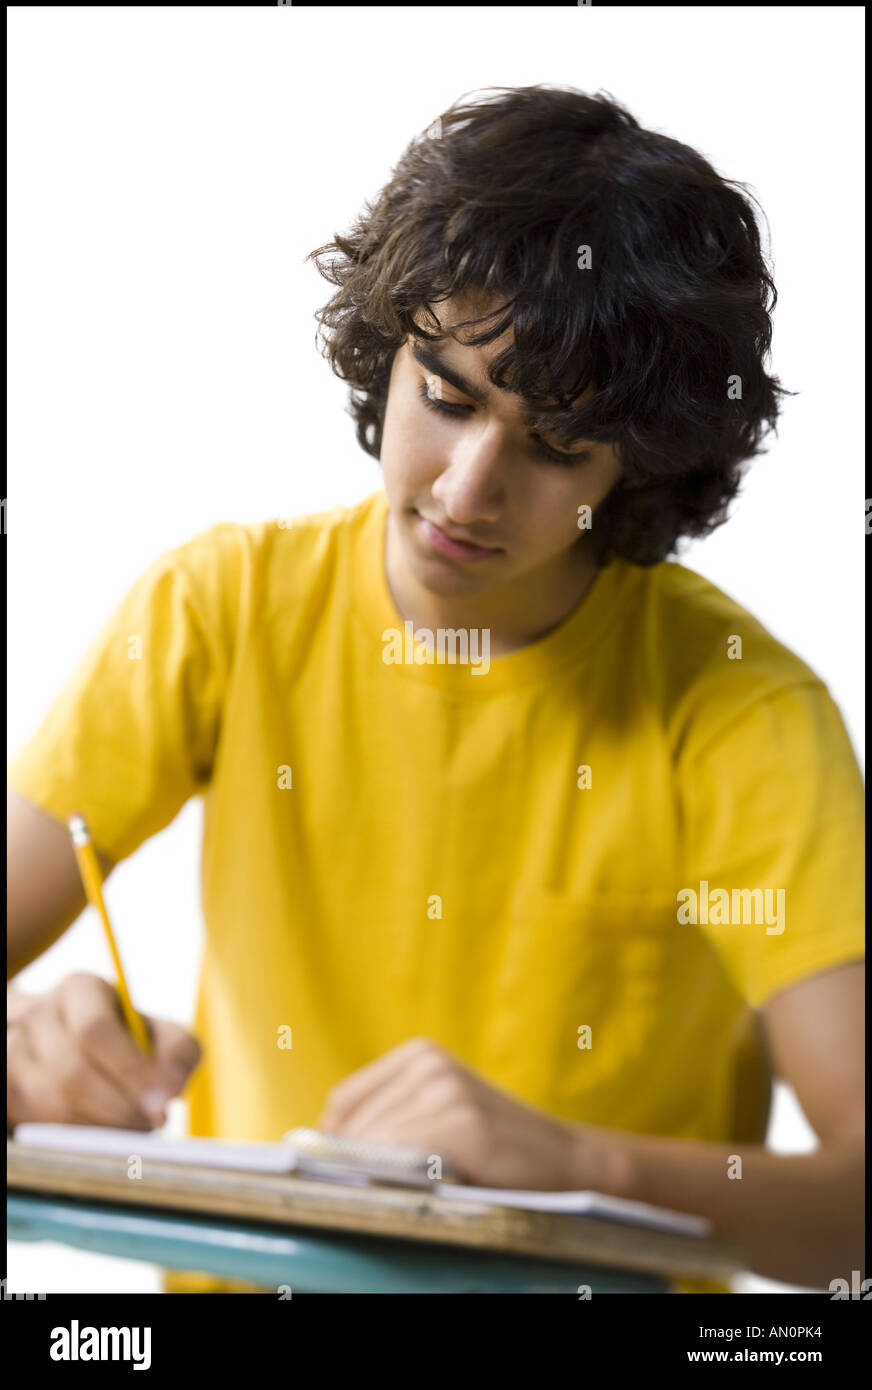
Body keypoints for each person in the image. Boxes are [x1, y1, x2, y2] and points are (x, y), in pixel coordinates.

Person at [7, 86, 863, 1295]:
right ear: (387, 355)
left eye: (555, 446)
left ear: (635, 470)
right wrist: (34, 1064)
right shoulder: (223, 607)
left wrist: (567, 1162)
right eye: (447, 397)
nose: (466, 491)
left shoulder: (739, 712)